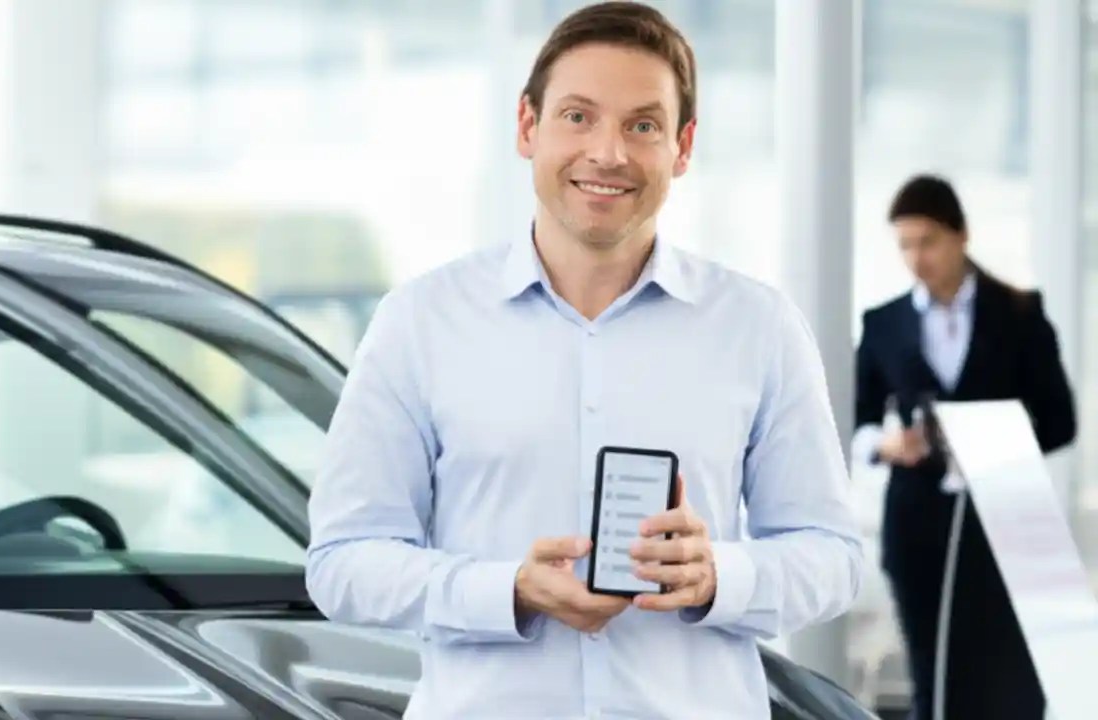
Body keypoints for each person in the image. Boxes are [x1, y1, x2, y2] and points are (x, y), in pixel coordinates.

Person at [306, 2, 864, 717]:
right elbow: (343, 563)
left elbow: (832, 556)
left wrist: (720, 573)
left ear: (682, 147)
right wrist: (506, 588)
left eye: (643, 125)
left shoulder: (758, 328)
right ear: (526, 126)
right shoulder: (421, 322)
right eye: (578, 116)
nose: (608, 152)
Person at [854, 174, 1077, 720]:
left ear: (961, 236)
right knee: (934, 673)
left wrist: (990, 436)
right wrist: (887, 446)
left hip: (1008, 515)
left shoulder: (1021, 314)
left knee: (1013, 677)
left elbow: (1060, 421)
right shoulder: (883, 325)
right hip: (917, 525)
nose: (916, 258)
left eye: (927, 241)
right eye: (905, 245)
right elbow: (855, 425)